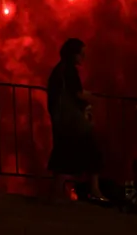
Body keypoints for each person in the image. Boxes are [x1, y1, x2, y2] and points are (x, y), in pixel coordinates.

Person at [47, 38, 106, 203]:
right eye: (82, 53)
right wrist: (95, 99)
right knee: (92, 150)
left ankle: (57, 192)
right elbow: (77, 93)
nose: (83, 57)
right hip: (71, 121)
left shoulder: (59, 70)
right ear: (74, 54)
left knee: (62, 153)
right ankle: (94, 190)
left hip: (62, 119)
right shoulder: (69, 71)